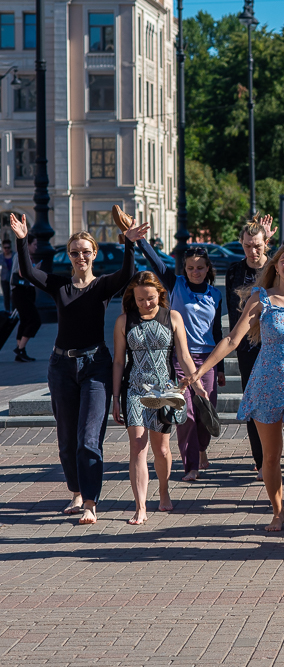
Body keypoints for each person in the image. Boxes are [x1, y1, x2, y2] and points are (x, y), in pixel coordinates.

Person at [10, 213, 148, 525]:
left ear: (94, 254)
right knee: (66, 438)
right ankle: (75, 491)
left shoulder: (101, 287)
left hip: (94, 366)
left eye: (86, 251)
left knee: (88, 437)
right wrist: (21, 240)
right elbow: (29, 272)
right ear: (69, 256)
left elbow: (127, 273)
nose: (80, 257)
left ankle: (90, 502)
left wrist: (129, 244)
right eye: (75, 252)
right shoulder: (59, 284)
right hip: (61, 366)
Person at [185, 242, 284, 540]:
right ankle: (277, 511)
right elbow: (232, 340)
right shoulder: (261, 298)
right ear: (275, 266)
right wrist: (201, 369)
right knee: (271, 456)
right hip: (266, 383)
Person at [112, 271, 209, 525]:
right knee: (137, 447)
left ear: (160, 296)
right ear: (133, 297)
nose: (146, 303)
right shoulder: (124, 321)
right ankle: (140, 506)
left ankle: (164, 490)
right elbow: (119, 361)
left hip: (163, 390)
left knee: (162, 448)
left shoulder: (172, 317)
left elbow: (185, 357)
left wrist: (197, 385)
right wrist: (114, 397)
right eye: (141, 299)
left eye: (151, 298)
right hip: (134, 390)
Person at [136, 233, 224, 481]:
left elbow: (217, 332)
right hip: (179, 358)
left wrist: (220, 369)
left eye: (200, 268)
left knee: (207, 411)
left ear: (208, 269)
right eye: (190, 268)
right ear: (184, 269)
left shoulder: (215, 295)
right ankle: (191, 466)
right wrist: (140, 239)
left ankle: (201, 448)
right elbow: (155, 262)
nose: (195, 272)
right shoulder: (176, 285)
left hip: (207, 359)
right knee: (185, 413)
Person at [225, 215, 276, 479]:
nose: (252, 251)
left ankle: (275, 456)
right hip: (246, 347)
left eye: (257, 245)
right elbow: (233, 314)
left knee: (276, 402)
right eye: (247, 246)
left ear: (266, 243)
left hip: (272, 344)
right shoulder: (234, 271)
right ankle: (261, 460)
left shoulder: (275, 267)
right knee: (253, 402)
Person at [10, 232, 41, 362]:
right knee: (35, 320)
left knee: (24, 320)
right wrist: (35, 269)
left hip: (24, 291)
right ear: (27, 244)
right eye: (34, 244)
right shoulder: (21, 256)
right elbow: (23, 273)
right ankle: (20, 349)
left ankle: (20, 351)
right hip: (20, 291)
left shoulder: (26, 256)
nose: (36, 247)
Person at [1, 237, 13, 312]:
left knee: (13, 296)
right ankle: (7, 311)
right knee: (6, 296)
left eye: (8, 247)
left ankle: (14, 311)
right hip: (4, 278)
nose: (6, 249)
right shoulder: (1, 257)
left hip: (13, 278)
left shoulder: (14, 255)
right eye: (5, 248)